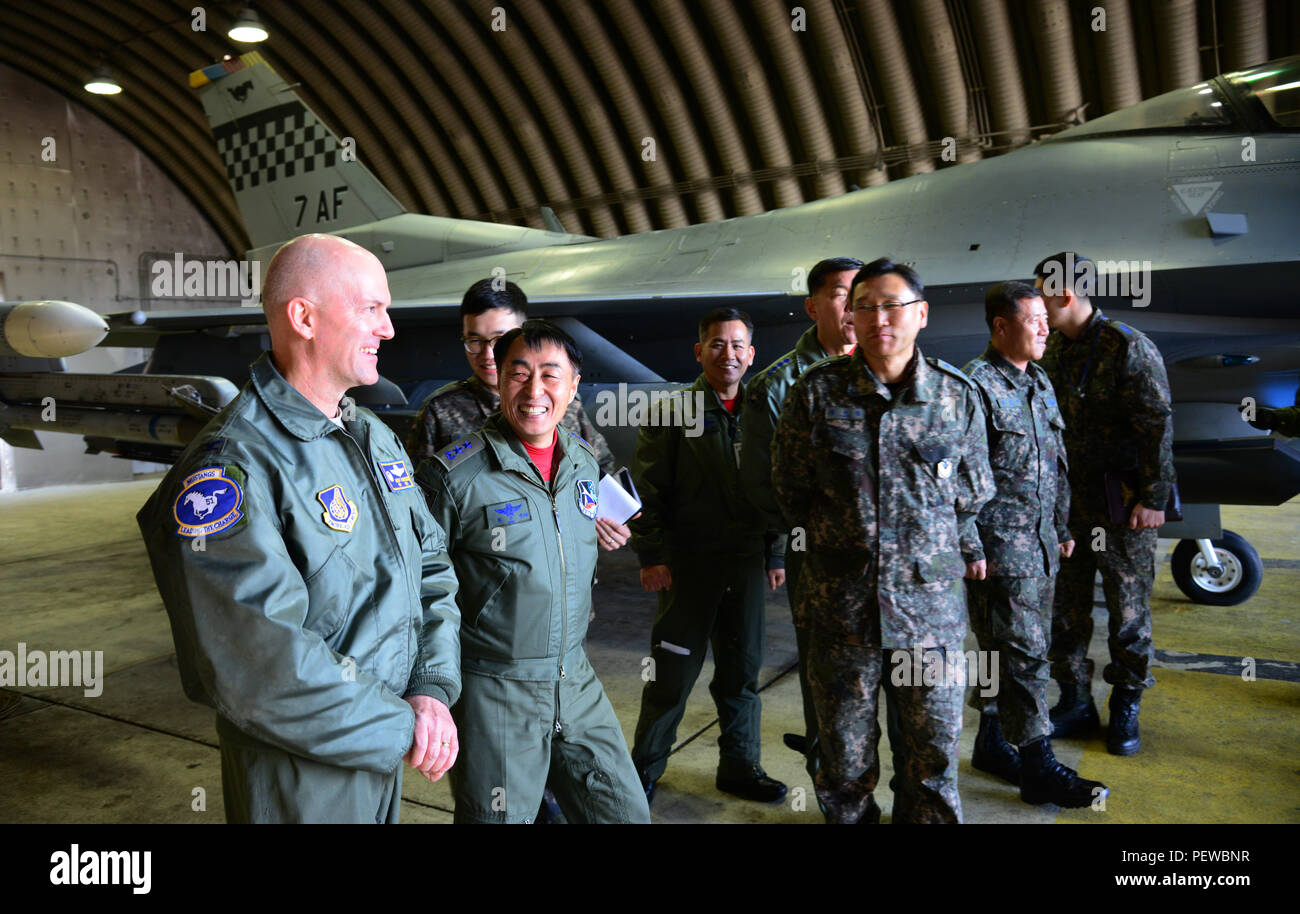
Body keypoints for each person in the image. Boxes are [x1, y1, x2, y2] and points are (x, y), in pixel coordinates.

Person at [137, 234, 462, 824]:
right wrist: (401, 727)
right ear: (304, 318)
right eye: (371, 308)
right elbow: (258, 664)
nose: (388, 329)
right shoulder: (230, 467)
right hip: (300, 773)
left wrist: (430, 688)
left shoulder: (372, 439)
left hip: (379, 745)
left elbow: (431, 567)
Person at [772, 258, 994, 824]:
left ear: (921, 314)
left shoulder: (956, 395)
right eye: (864, 306)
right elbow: (791, 489)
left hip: (929, 614)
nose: (878, 319)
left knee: (932, 754)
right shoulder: (816, 393)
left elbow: (973, 493)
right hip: (841, 610)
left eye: (892, 306)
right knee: (843, 758)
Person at [415, 320, 650, 824]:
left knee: (624, 812)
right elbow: (419, 586)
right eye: (519, 374)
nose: (534, 390)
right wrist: (429, 687)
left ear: (574, 385)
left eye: (550, 375)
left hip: (575, 676)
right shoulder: (455, 477)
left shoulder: (581, 461)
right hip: (496, 690)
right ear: (500, 380)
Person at [628, 307, 787, 805]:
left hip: (746, 563)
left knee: (742, 673)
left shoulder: (765, 413)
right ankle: (644, 769)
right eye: (717, 344)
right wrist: (651, 555)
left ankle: (740, 767)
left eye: (738, 345)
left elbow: (778, 487)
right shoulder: (672, 412)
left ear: (751, 354)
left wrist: (776, 553)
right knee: (670, 677)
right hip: (688, 567)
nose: (728, 354)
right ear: (699, 352)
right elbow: (648, 491)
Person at [962, 282, 1107, 807]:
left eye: (1047, 319)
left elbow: (1054, 462)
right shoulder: (975, 387)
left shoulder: (1038, 380)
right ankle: (1038, 764)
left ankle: (991, 742)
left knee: (1004, 652)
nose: (1047, 328)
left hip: (1040, 543)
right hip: (1000, 549)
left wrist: (1062, 528)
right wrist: (969, 545)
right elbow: (962, 475)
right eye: (1034, 320)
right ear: (1001, 327)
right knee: (1024, 657)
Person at [1034, 252, 1176, 756]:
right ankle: (1075, 700)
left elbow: (1156, 424)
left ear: (1064, 294)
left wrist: (1154, 497)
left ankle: (1126, 703)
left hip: (1123, 504)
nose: (1037, 304)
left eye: (1041, 294)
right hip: (1068, 504)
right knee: (1065, 610)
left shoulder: (1126, 345)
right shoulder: (1051, 347)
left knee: (1127, 611)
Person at [740, 257, 862, 778]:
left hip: (886, 566)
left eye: (862, 295)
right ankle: (829, 775)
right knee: (826, 678)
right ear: (813, 307)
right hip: (820, 561)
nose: (853, 307)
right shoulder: (778, 385)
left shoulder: (889, 371)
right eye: (840, 295)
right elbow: (764, 486)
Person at [405, 278, 615, 476]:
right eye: (475, 341)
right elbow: (417, 487)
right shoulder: (440, 410)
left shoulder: (563, 403)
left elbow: (602, 469)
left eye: (500, 340)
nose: (489, 354)